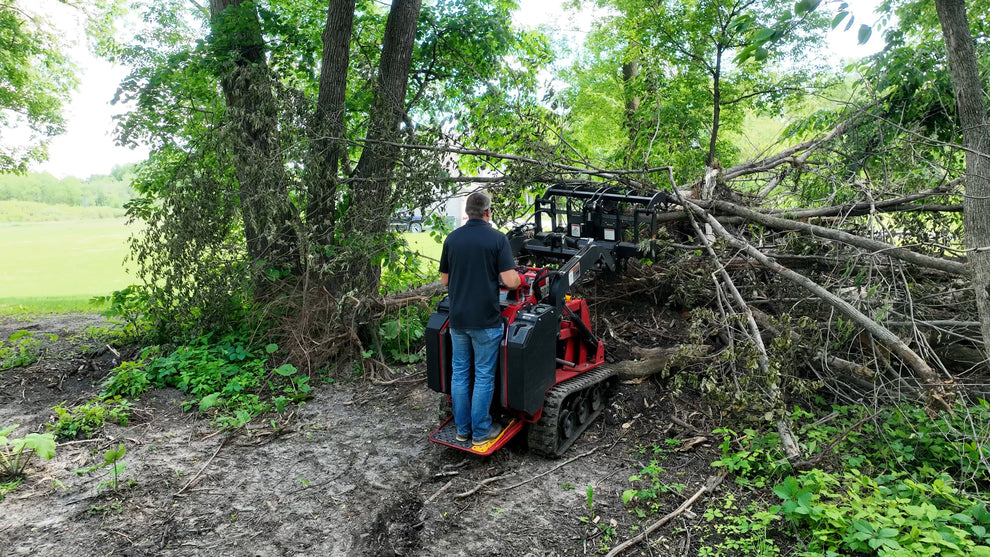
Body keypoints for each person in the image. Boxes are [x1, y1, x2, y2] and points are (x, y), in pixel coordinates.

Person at [439, 191, 521, 446]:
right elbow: (510, 280)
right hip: (485, 321)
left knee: (460, 373)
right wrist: (519, 279)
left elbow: (445, 281)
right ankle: (482, 430)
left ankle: (462, 430)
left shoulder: (452, 239)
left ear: (467, 212)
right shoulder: (497, 239)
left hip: (458, 320)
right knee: (484, 374)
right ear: (488, 212)